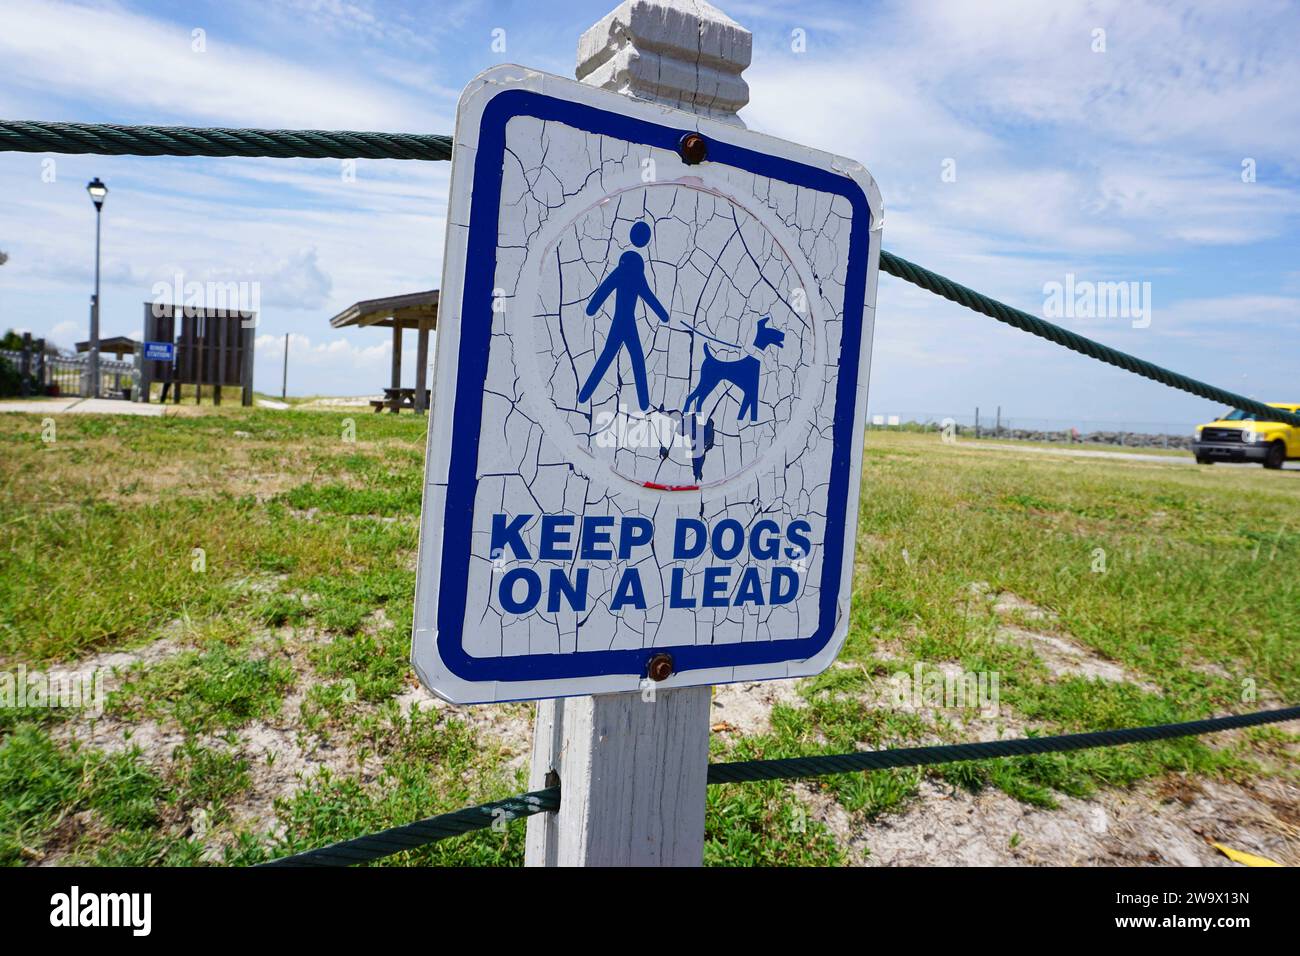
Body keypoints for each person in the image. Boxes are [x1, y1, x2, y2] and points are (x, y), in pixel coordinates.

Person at [577, 221, 670, 411]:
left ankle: (586, 394)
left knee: (611, 356)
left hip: (622, 321)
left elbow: (605, 289)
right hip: (626, 322)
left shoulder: (624, 271)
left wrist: (592, 309)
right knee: (634, 357)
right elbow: (649, 297)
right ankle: (642, 402)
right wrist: (663, 315)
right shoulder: (635, 274)